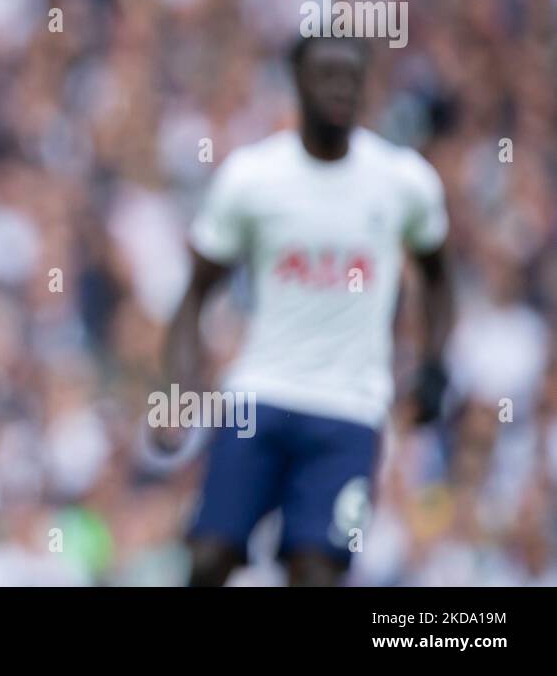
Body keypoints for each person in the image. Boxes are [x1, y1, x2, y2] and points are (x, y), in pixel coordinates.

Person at [160, 33, 455, 586]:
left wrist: (435, 365)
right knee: (208, 559)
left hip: (350, 408)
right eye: (326, 75)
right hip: (260, 394)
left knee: (316, 572)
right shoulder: (254, 178)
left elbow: (439, 278)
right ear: (297, 81)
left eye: (352, 76)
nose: (340, 88)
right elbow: (196, 294)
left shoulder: (401, 182)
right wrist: (177, 392)